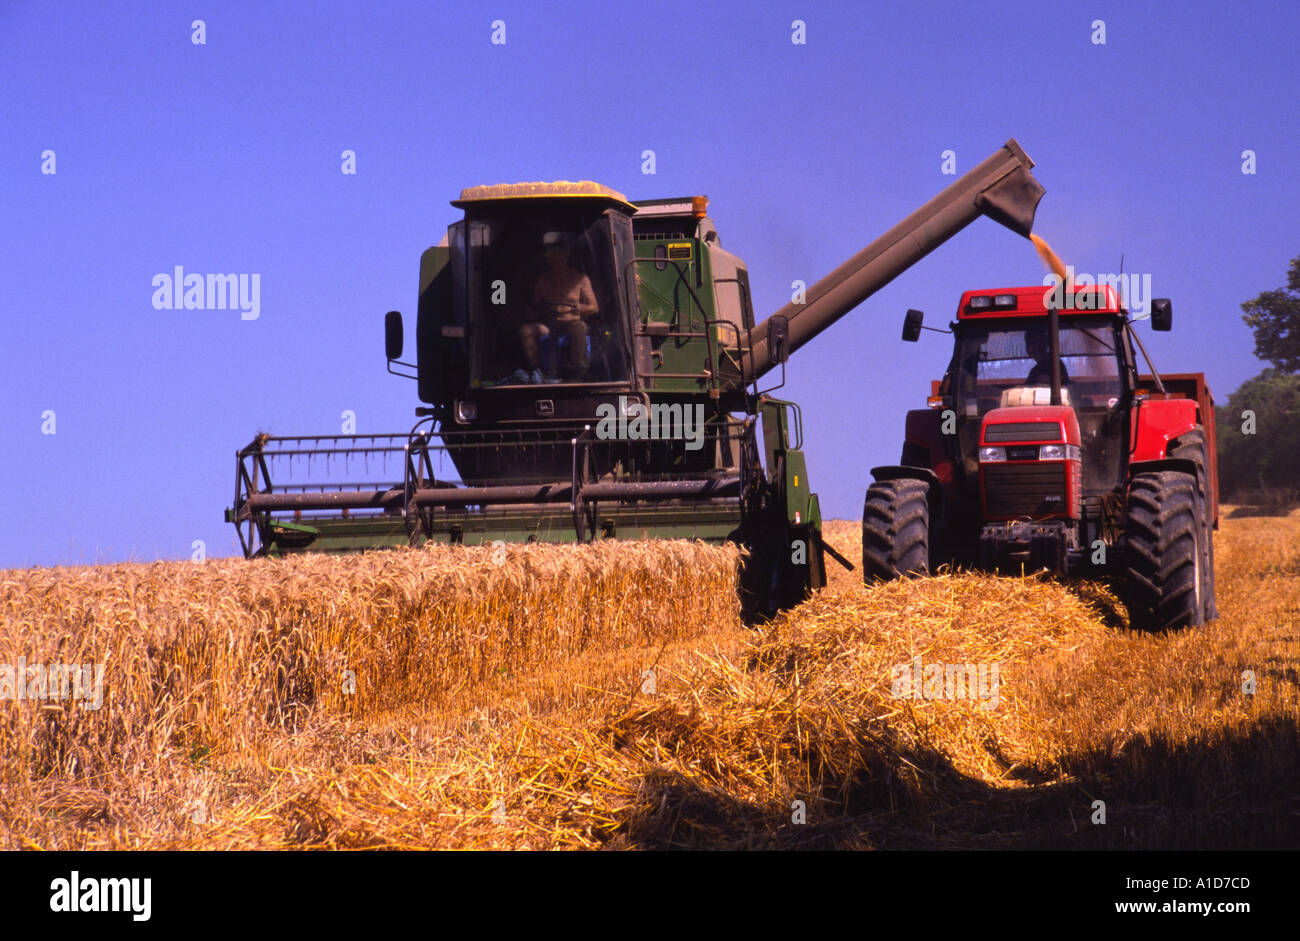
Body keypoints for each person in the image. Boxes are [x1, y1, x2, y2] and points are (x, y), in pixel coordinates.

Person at [525, 233, 598, 378]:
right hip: (549, 324)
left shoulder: (580, 278)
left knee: (580, 328)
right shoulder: (543, 279)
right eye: (554, 259)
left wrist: (581, 308)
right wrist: (533, 312)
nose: (558, 263)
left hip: (572, 322)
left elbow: (594, 307)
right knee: (526, 330)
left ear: (567, 259)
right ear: (548, 260)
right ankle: (536, 371)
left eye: (561, 259)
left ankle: (577, 370)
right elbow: (535, 305)